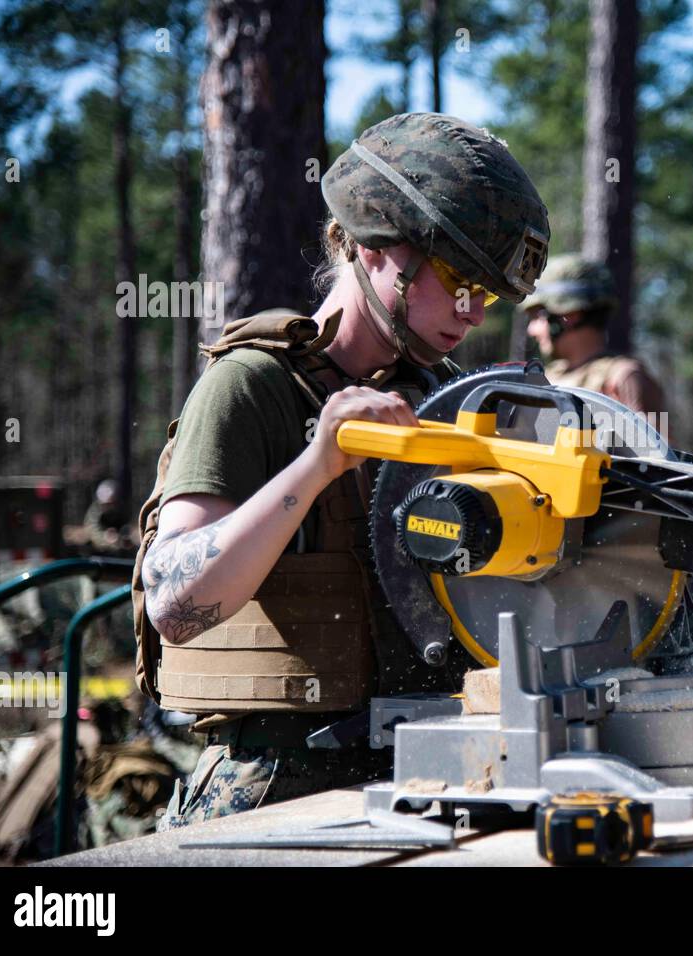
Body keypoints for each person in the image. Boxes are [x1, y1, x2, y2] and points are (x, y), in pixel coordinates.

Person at [132, 113, 550, 829]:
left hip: (425, 776)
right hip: (271, 792)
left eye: (487, 294)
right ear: (371, 243)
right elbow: (172, 603)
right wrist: (319, 463)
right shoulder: (253, 386)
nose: (471, 312)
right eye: (457, 278)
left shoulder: (443, 403)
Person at [521, 254, 667, 424]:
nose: (532, 330)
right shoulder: (544, 378)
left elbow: (653, 449)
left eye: (537, 317)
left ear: (570, 314)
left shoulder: (623, 377)